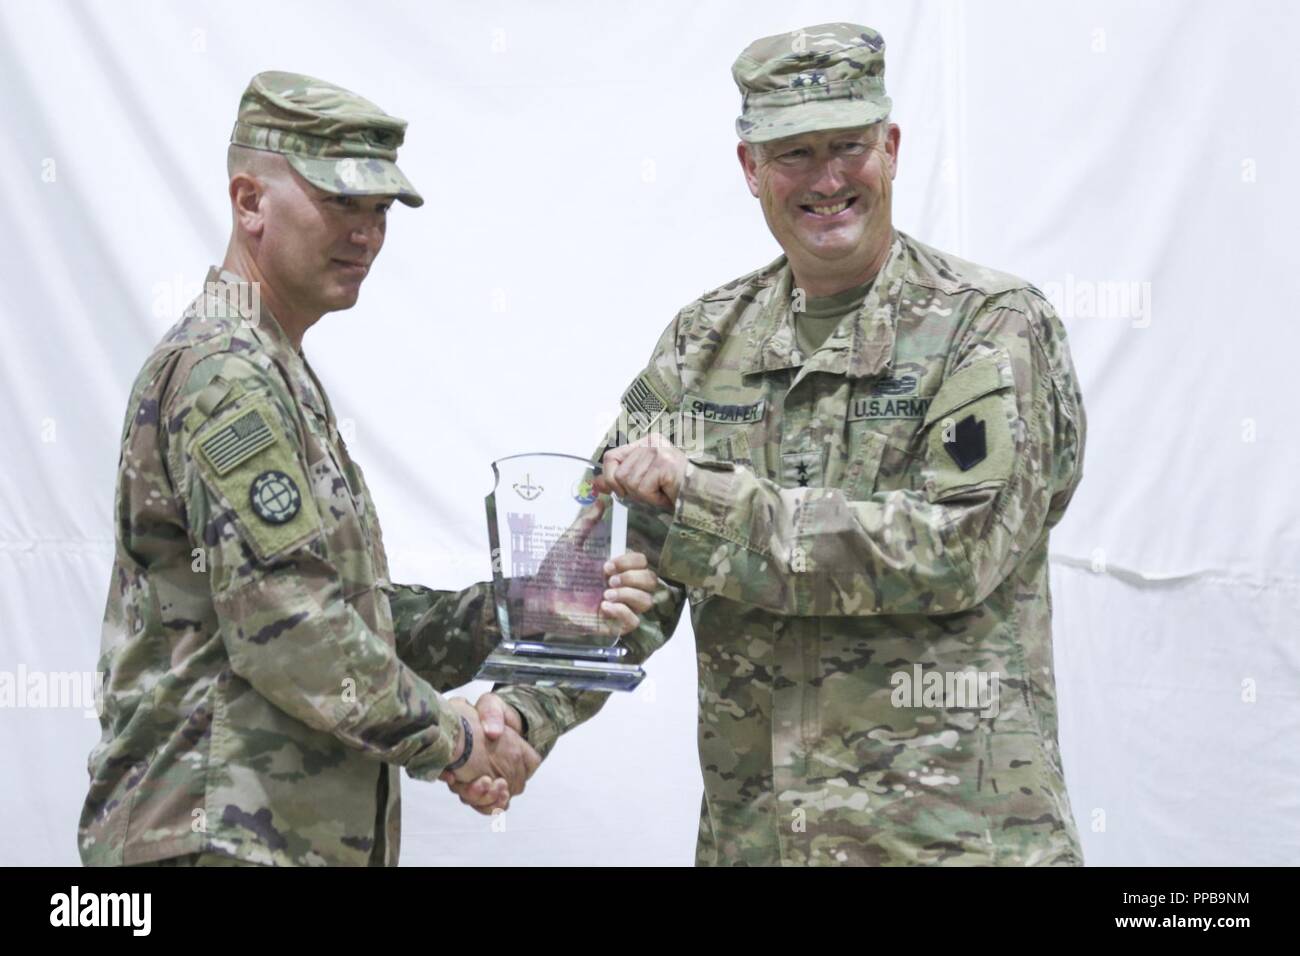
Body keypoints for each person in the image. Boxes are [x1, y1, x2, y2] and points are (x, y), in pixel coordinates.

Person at [456, 24, 1089, 866]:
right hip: (759, 842)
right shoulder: (703, 344)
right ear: (751, 169)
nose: (827, 179)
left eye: (848, 146)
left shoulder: (990, 326)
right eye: (794, 153)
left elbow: (954, 549)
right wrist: (523, 714)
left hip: (953, 841)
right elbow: (615, 564)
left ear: (891, 148)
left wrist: (702, 500)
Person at [79, 71, 656, 867]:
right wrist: (458, 740)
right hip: (215, 834)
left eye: (379, 209)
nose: (365, 234)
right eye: (339, 202)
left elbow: (349, 616)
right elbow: (293, 632)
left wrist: (516, 610)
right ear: (250, 202)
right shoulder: (226, 374)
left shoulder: (272, 369)